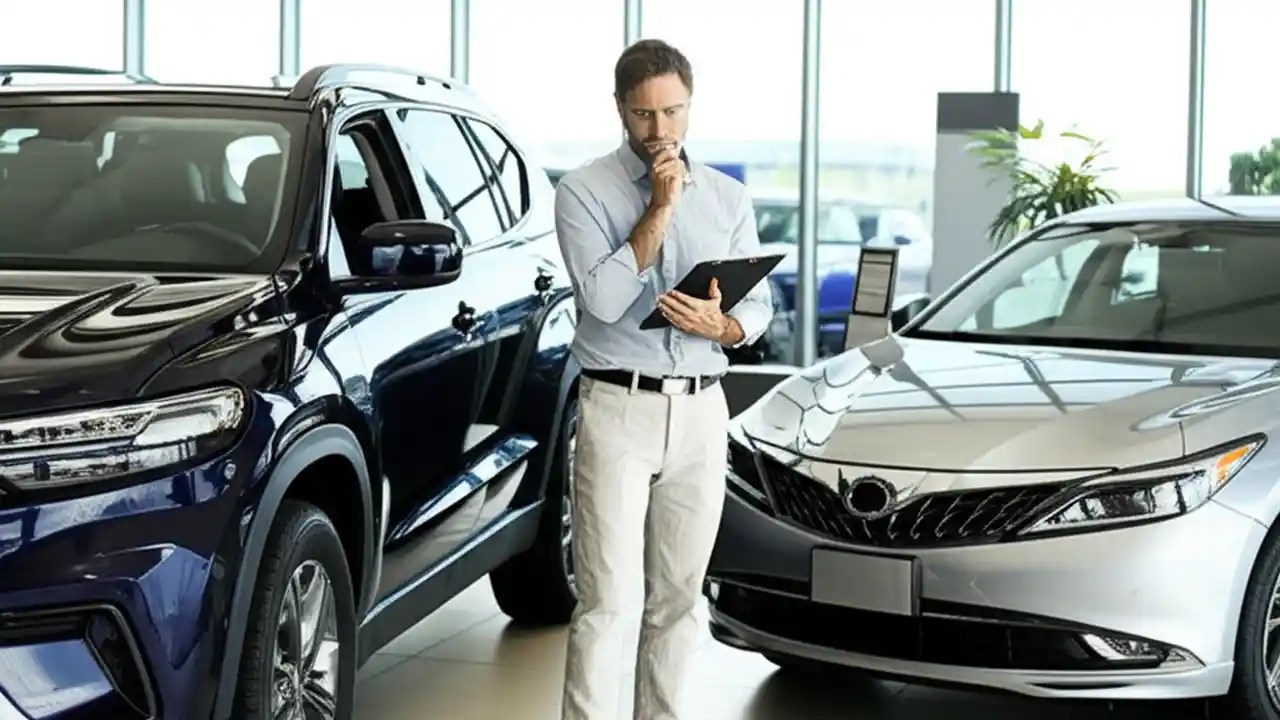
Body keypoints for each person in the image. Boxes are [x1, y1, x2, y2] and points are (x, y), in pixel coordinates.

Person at [553, 38, 773, 720]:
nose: (661, 132)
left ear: (689, 105)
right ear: (620, 109)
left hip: (703, 411)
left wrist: (723, 327)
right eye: (645, 115)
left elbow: (758, 309)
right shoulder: (582, 191)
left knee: (679, 599)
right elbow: (607, 302)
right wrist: (661, 206)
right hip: (619, 408)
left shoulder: (731, 197)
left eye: (673, 113)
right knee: (608, 602)